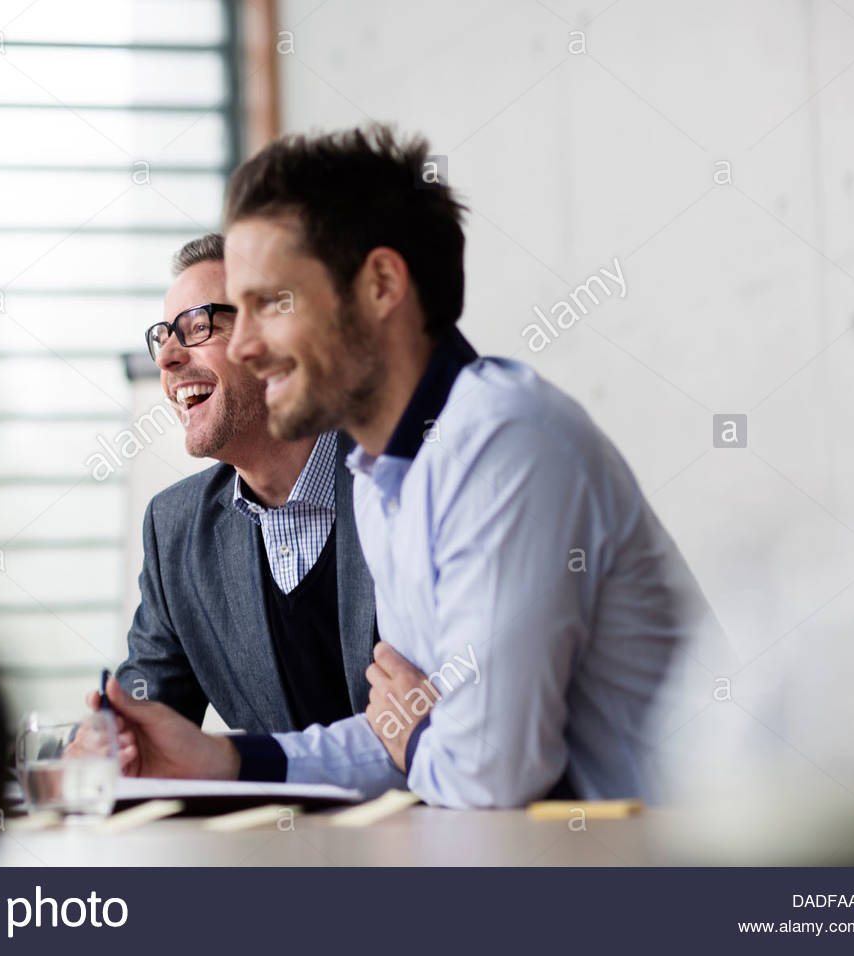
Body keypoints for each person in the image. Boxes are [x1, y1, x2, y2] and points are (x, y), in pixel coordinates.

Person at [94, 127, 716, 807]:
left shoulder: (503, 440)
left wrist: (422, 736)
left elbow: (487, 773)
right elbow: (397, 737)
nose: (244, 344)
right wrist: (227, 759)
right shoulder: (380, 476)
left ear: (381, 285)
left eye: (270, 303)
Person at [108, 233, 381, 752]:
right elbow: (146, 723)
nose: (167, 357)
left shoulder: (397, 482)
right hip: (275, 835)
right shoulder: (175, 528)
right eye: (164, 335)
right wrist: (107, 743)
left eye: (197, 327)